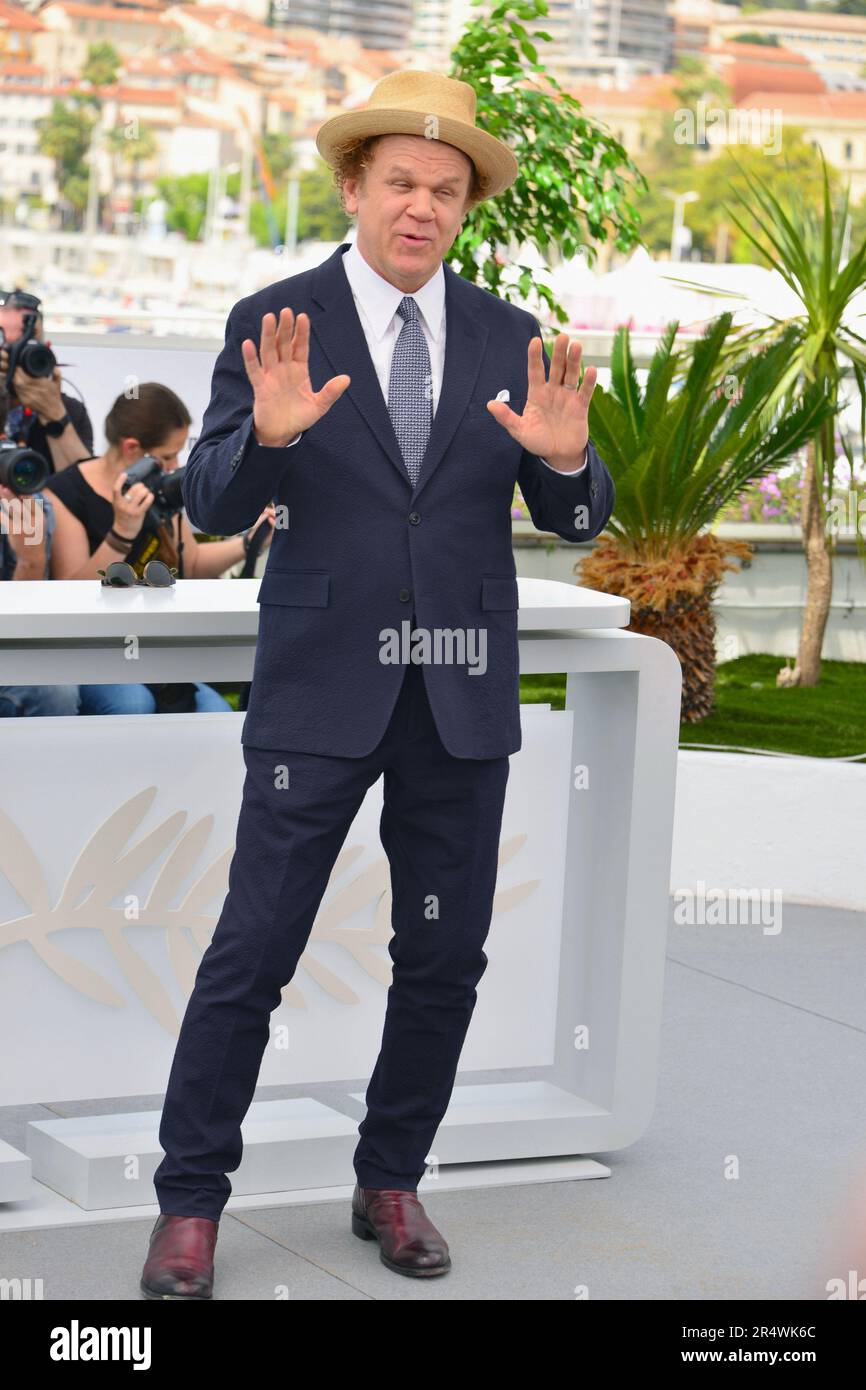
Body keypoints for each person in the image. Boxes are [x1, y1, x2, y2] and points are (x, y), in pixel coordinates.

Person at [142, 69, 615, 1299]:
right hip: (318, 689)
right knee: (252, 950)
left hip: (457, 695)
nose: (421, 206)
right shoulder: (276, 318)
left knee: (443, 956)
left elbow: (571, 512)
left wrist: (568, 468)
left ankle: (390, 1177)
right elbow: (207, 505)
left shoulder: (514, 334)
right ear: (354, 185)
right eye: (399, 182)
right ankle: (190, 1201)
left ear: (465, 209)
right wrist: (277, 435)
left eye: (445, 191)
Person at [44, 382, 274, 714]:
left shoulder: (158, 491)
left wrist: (248, 544)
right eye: (167, 456)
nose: (174, 465)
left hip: (157, 653)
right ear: (132, 448)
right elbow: (73, 594)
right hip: (94, 652)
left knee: (217, 714)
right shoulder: (66, 492)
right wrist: (121, 533)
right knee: (132, 704)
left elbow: (191, 564)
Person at [0, 381, 80, 718]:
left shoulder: (27, 502)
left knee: (58, 690)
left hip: (12, 643)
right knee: (54, 692)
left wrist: (30, 561)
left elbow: (23, 633)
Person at [0, 287, 94, 475]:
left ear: (45, 351)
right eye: (6, 348)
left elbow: (85, 496)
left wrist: (54, 415)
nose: (13, 359)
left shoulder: (71, 412)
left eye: (25, 346)